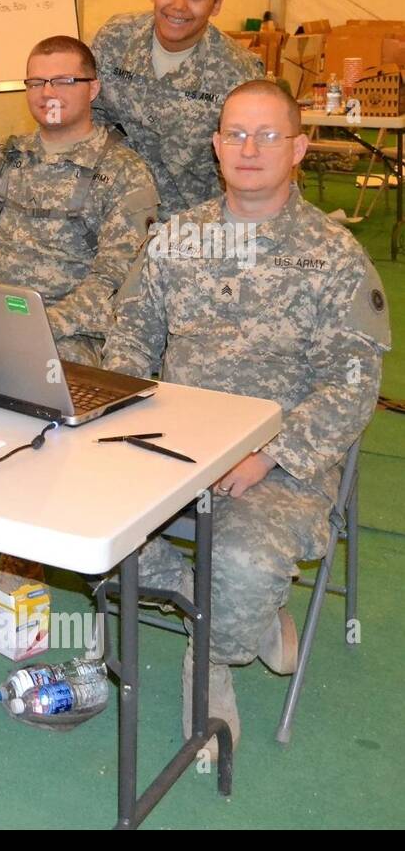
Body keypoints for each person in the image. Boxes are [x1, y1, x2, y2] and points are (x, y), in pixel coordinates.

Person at [103, 79, 391, 758]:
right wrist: (123, 412)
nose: (249, 148)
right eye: (235, 133)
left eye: (267, 135)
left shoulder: (333, 255)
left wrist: (273, 452)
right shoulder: (177, 238)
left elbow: (355, 381)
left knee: (244, 557)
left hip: (276, 463)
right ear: (215, 145)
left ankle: (211, 658)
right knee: (83, 526)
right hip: (171, 445)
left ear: (299, 146)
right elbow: (131, 336)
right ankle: (231, 608)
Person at [0, 35, 159, 630]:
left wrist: (34, 331)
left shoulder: (124, 175)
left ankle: (19, 562)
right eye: (36, 82)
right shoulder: (4, 158)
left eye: (63, 81)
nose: (48, 93)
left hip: (76, 332)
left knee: (38, 413)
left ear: (93, 89)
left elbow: (113, 281)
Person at [90, 0, 263, 215]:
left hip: (191, 225)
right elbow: (87, 118)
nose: (179, 6)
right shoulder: (115, 40)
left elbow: (251, 163)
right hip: (110, 212)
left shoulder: (240, 72)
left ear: (216, 4)